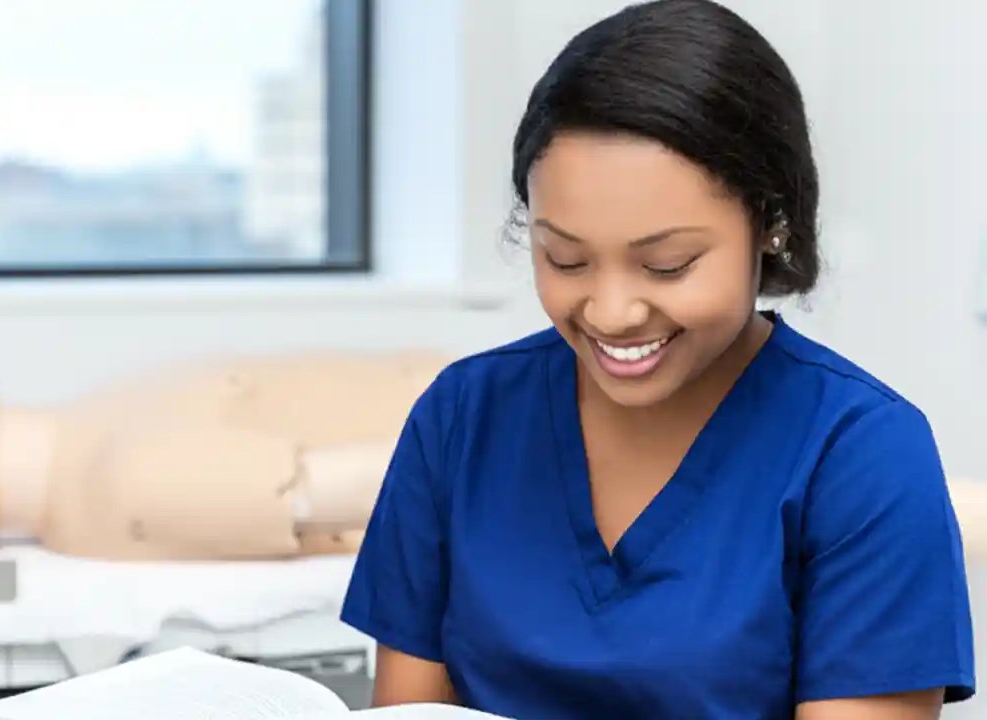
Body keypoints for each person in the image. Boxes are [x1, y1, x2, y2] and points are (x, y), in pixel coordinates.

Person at [339, 1, 976, 718]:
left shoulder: (861, 452)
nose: (611, 312)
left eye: (668, 264)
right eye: (565, 258)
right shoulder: (464, 417)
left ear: (770, 224)